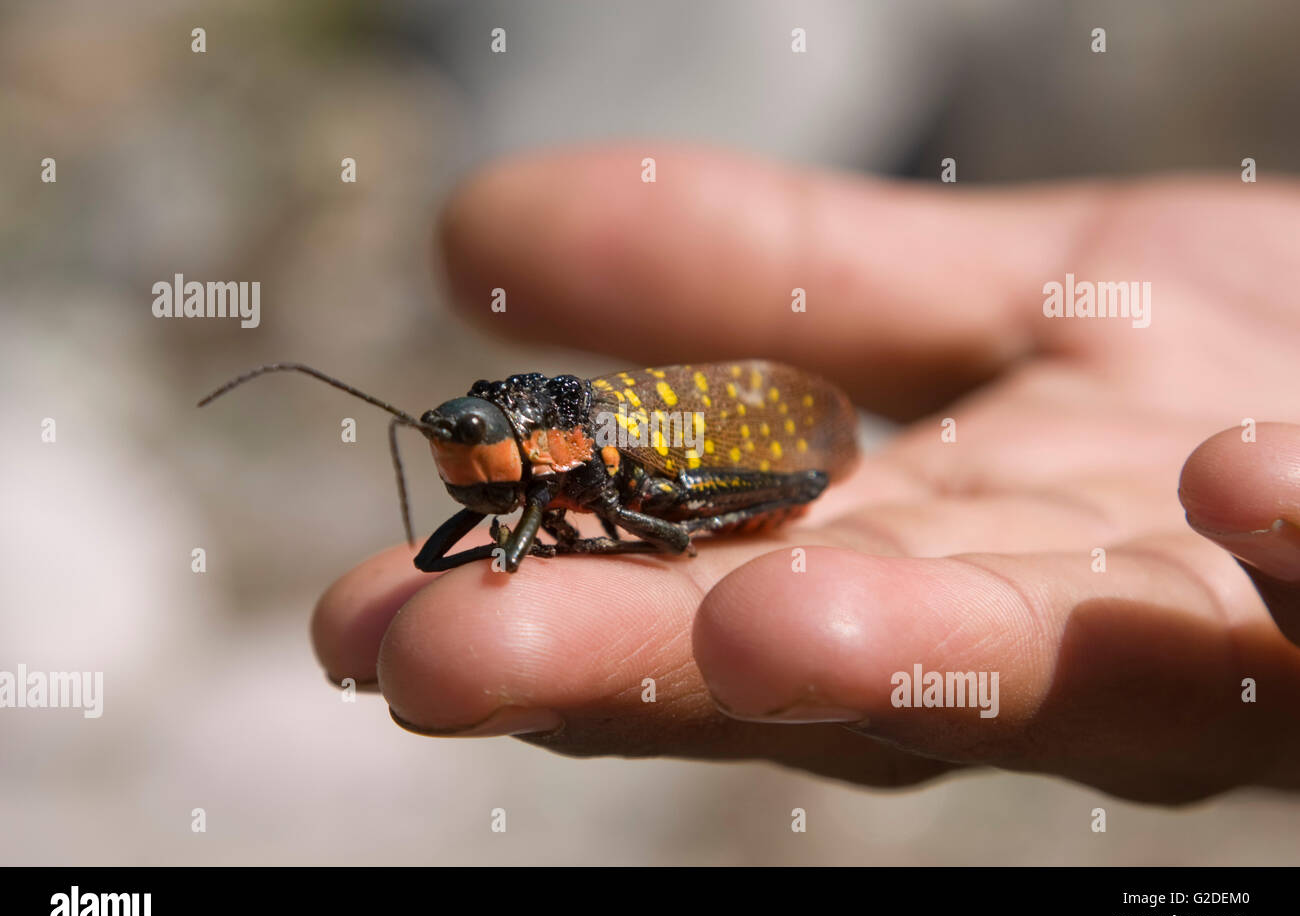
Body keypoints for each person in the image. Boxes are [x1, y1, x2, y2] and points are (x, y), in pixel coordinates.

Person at [311, 144, 1300, 804]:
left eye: (469, 439)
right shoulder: (513, 452)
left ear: (521, 435)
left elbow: (639, 526)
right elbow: (494, 534)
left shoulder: (574, 443)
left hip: (689, 472)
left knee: (655, 522)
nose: (457, 456)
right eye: (451, 442)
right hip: (595, 475)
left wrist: (598, 531)